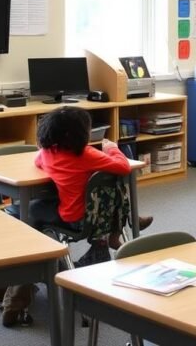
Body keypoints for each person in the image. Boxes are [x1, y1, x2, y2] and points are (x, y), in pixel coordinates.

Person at [31, 106, 153, 264]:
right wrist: (112, 149)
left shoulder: (47, 154)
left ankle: (40, 258)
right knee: (114, 181)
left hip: (75, 217)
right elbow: (123, 167)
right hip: (98, 217)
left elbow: (37, 162)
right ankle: (127, 221)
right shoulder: (88, 154)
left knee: (32, 208)